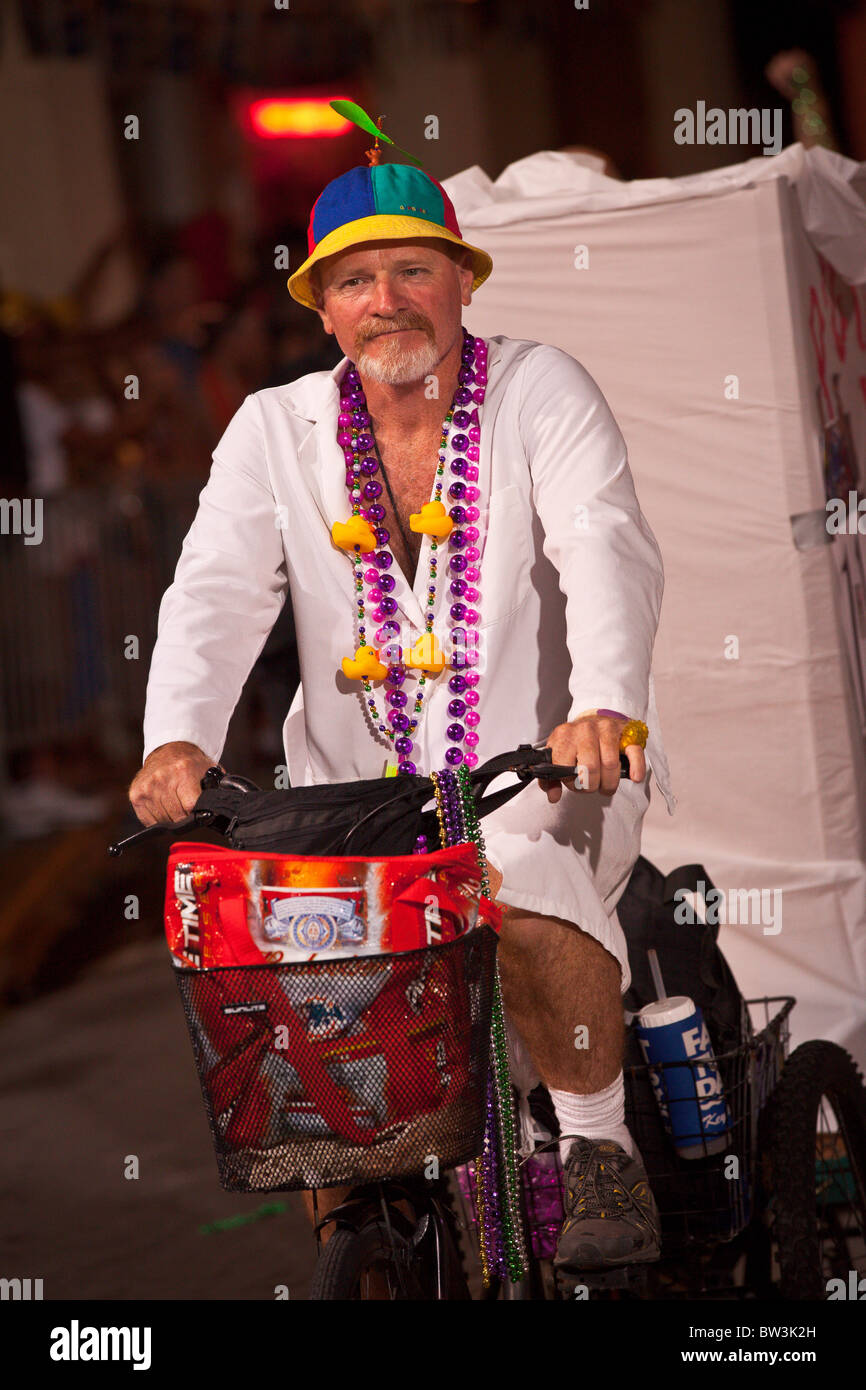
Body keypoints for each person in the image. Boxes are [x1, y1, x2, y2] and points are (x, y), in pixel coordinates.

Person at [130, 152, 676, 1273]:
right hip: (357, 811)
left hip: (543, 779)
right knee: (296, 1001)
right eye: (354, 279)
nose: (385, 300)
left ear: (462, 282)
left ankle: (597, 1144)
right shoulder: (273, 430)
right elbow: (217, 589)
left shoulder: (538, 386)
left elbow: (603, 544)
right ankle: (363, 1240)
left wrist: (605, 705)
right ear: (324, 308)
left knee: (512, 880)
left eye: (412, 271)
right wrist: (176, 735)